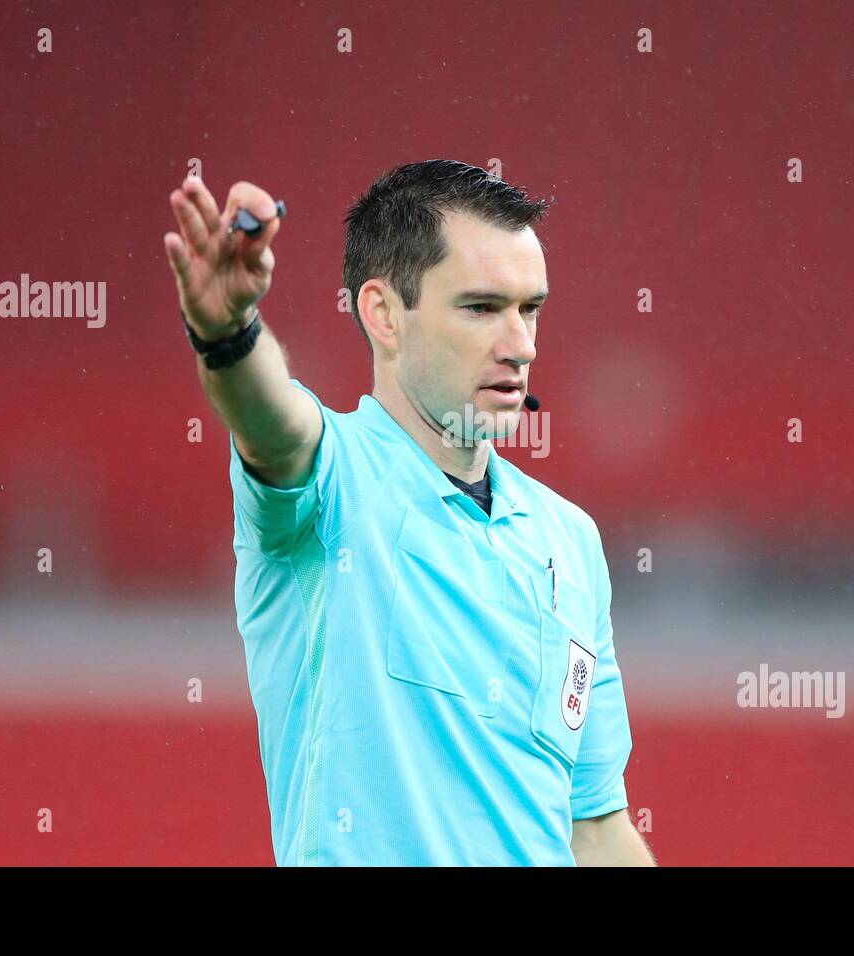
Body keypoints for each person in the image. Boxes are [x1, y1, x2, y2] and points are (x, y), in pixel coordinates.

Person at [163, 159, 653, 866]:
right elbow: (271, 420)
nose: (521, 345)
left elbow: (597, 828)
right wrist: (229, 333)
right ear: (383, 314)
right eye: (482, 308)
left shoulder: (569, 540)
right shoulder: (331, 485)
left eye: (531, 309)